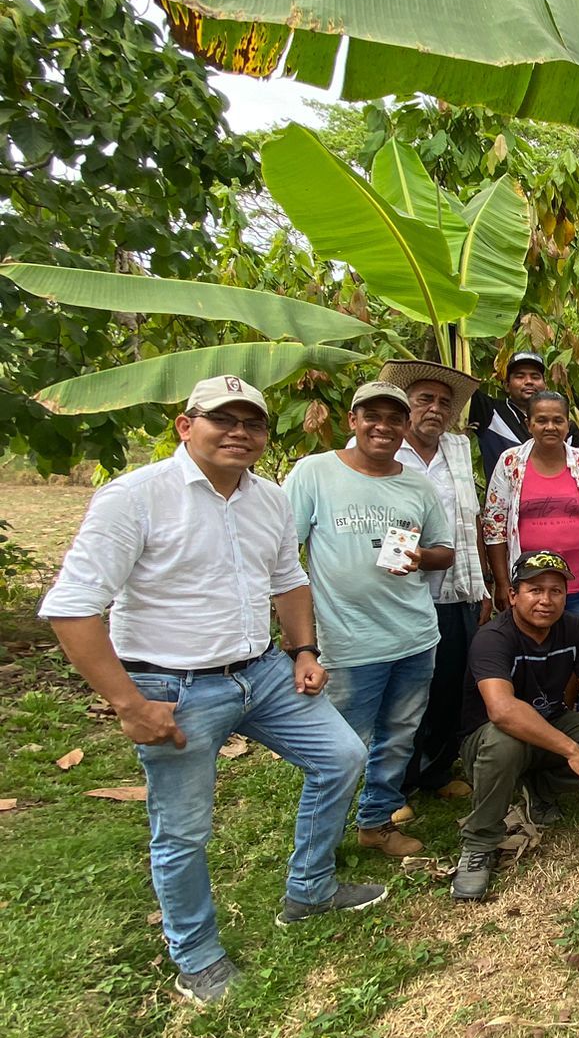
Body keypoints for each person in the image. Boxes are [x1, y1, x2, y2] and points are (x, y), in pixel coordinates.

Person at [40, 375, 379, 1004]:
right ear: (185, 425)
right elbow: (73, 609)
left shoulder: (269, 500)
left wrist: (303, 649)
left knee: (343, 756)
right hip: (172, 685)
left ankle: (310, 888)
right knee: (184, 828)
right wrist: (128, 703)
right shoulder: (135, 498)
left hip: (261, 673)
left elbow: (289, 580)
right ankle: (196, 956)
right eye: (223, 420)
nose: (239, 432)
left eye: (252, 422)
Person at [285, 380, 455, 860]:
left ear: (405, 427)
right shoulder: (314, 474)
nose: (383, 426)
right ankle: (321, 844)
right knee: (340, 748)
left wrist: (421, 557)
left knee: (398, 737)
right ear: (352, 421)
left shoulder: (415, 485)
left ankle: (376, 822)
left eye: (394, 419)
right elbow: (280, 554)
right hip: (347, 641)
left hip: (414, 636)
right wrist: (300, 640)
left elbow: (445, 550)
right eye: (372, 416)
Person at [451, 551, 579, 902]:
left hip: (550, 723)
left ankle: (537, 790)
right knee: (505, 742)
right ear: (513, 595)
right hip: (488, 740)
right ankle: (479, 844)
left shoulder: (575, 628)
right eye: (535, 590)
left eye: (555, 591)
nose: (546, 600)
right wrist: (570, 749)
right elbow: (502, 710)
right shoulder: (493, 637)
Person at [377, 360, 488, 805]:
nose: (435, 409)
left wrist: (482, 586)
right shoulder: (383, 453)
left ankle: (436, 770)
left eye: (444, 402)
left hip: (456, 587)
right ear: (406, 406)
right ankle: (396, 783)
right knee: (403, 694)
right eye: (425, 399)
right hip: (403, 592)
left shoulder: (457, 450)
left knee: (449, 685)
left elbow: (470, 519)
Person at [483, 391, 579, 617]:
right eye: (542, 420)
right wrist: (502, 582)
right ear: (529, 424)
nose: (550, 427)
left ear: (568, 424)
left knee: (578, 647)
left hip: (578, 588)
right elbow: (494, 528)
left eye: (558, 420)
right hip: (528, 587)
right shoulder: (510, 462)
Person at [468, 350, 542, 469]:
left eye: (535, 377)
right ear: (507, 385)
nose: (529, 381)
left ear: (545, 385)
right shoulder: (491, 413)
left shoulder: (560, 423)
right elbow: (458, 379)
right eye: (520, 376)